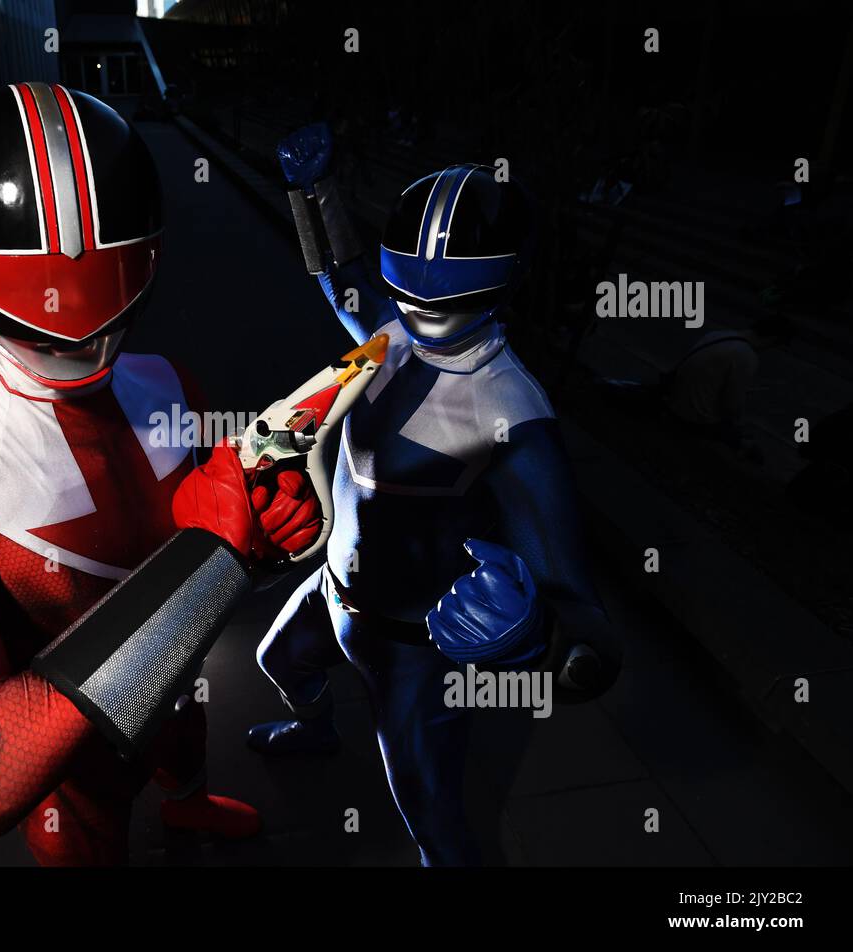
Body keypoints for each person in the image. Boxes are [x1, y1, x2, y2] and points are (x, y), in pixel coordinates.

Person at [0, 83, 319, 865]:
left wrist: (267, 540)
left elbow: (217, 549)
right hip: (75, 764)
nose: (87, 348)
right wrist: (218, 565)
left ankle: (187, 806)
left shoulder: (169, 381)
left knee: (184, 731)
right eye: (52, 333)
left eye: (109, 323)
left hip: (178, 695)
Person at [252, 126, 621, 865]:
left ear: (497, 289)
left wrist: (537, 638)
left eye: (440, 305)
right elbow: (343, 279)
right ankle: (318, 726)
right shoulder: (390, 334)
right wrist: (310, 192)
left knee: (433, 821)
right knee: (277, 662)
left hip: (415, 651)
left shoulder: (512, 414)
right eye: (408, 299)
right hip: (334, 592)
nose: (420, 318)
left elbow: (591, 632)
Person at [662, 314, 792, 453]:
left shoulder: (717, 335)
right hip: (694, 418)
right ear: (772, 339)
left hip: (673, 399)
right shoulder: (746, 356)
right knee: (749, 443)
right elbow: (731, 406)